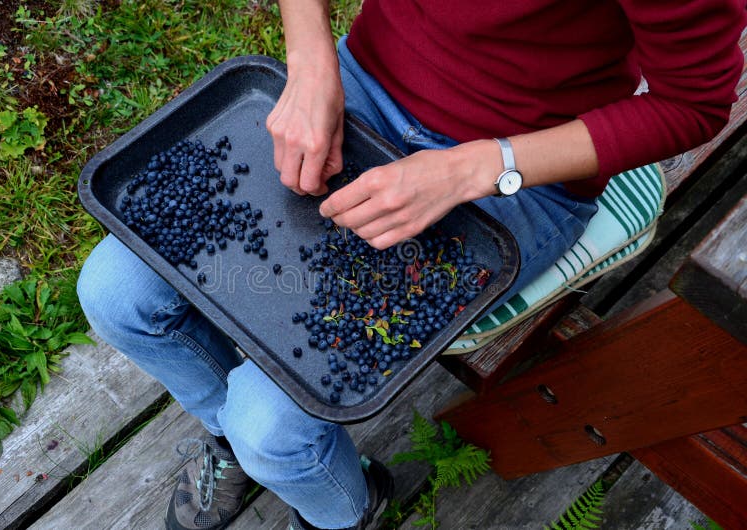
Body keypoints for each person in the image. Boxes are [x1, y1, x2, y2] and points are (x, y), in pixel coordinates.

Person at [76, 0, 746, 529]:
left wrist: (474, 169)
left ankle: (344, 511)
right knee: (113, 293)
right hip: (367, 81)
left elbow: (693, 106)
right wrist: (310, 61)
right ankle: (231, 439)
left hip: (521, 160)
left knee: (271, 427)